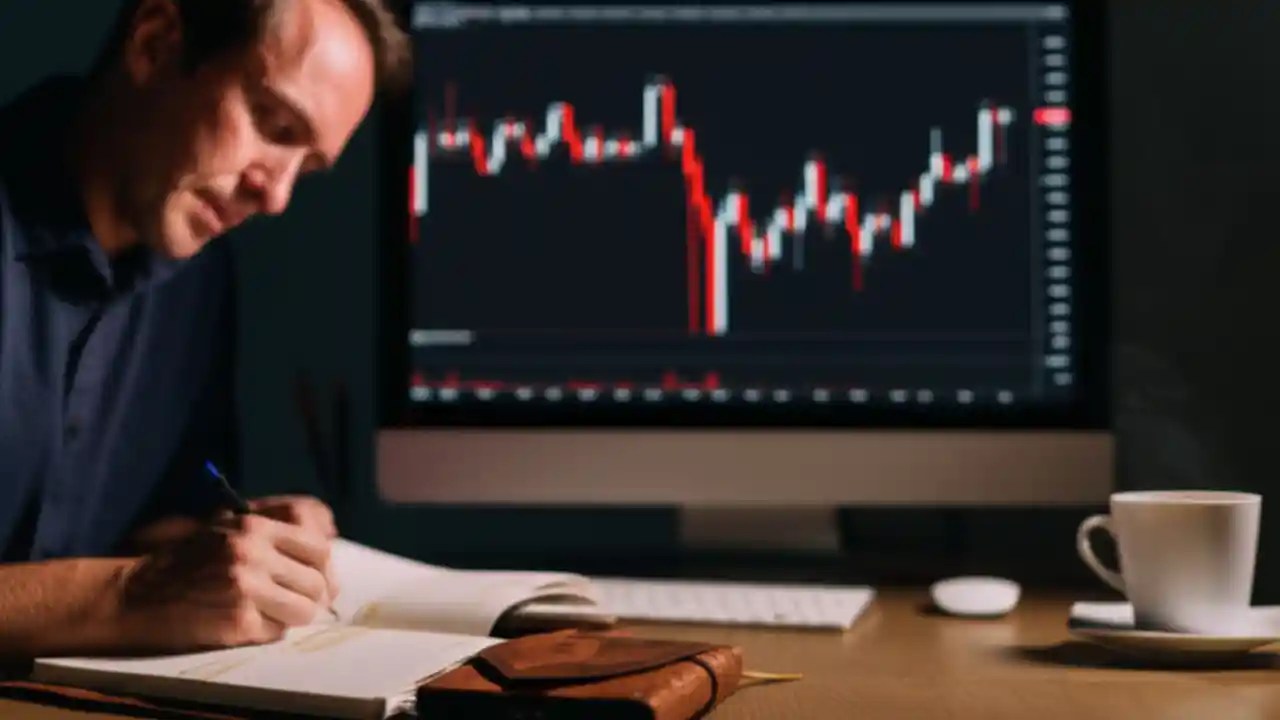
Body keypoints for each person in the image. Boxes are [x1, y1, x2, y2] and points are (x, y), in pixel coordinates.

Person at [0, 0, 409, 658]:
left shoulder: (197, 276)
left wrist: (232, 541)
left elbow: (154, 515)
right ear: (157, 45)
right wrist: (131, 593)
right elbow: (129, 579)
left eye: (304, 168)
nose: (275, 197)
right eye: (273, 125)